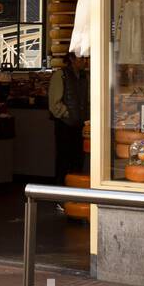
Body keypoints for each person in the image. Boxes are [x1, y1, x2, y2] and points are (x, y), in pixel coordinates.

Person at [48, 52, 90, 186]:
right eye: (82, 58)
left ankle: (74, 192)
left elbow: (87, 100)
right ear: (72, 59)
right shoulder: (60, 75)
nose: (85, 61)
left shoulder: (85, 77)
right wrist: (67, 114)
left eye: (86, 58)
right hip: (65, 125)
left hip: (81, 125)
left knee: (78, 160)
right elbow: (54, 104)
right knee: (64, 160)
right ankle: (60, 193)